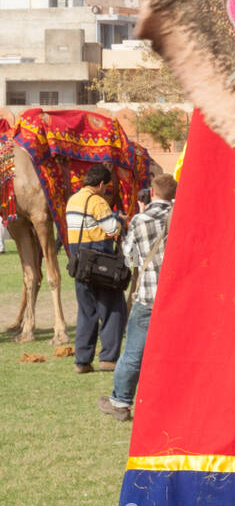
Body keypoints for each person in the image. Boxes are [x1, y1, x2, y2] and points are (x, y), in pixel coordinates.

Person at [98, 174, 177, 421]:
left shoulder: (140, 220)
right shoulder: (181, 216)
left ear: (151, 194)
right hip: (176, 298)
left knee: (133, 353)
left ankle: (121, 401)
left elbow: (128, 255)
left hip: (148, 297)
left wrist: (139, 262)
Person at [66, 163, 127, 374]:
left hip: (80, 260)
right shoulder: (98, 202)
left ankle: (82, 361)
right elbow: (112, 230)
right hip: (100, 261)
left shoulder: (73, 200)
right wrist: (119, 220)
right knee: (113, 309)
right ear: (101, 184)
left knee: (86, 311)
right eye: (106, 187)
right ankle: (108, 358)